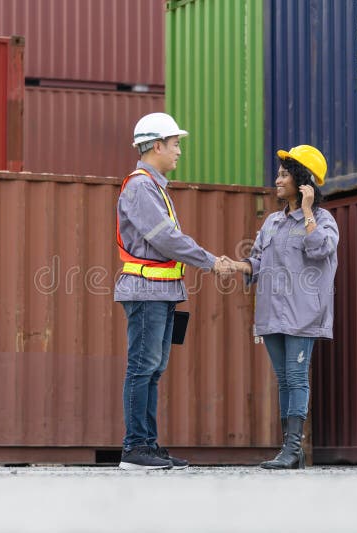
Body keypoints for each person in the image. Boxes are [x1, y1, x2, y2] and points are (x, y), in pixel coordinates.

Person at [115, 112, 233, 470]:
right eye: (175, 143)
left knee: (153, 369)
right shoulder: (139, 187)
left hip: (163, 291)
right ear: (156, 146)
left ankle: (147, 445)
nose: (179, 150)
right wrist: (210, 261)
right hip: (147, 290)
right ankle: (135, 448)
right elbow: (165, 239)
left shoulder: (154, 187)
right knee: (142, 367)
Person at [228, 145, 339, 469]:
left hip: (304, 315)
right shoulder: (273, 222)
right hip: (272, 314)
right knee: (286, 380)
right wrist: (235, 266)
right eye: (278, 174)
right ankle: (290, 451)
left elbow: (322, 249)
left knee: (296, 376)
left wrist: (306, 211)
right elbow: (259, 261)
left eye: (284, 174)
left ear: (304, 181)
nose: (277, 180)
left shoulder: (322, 219)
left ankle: (292, 449)